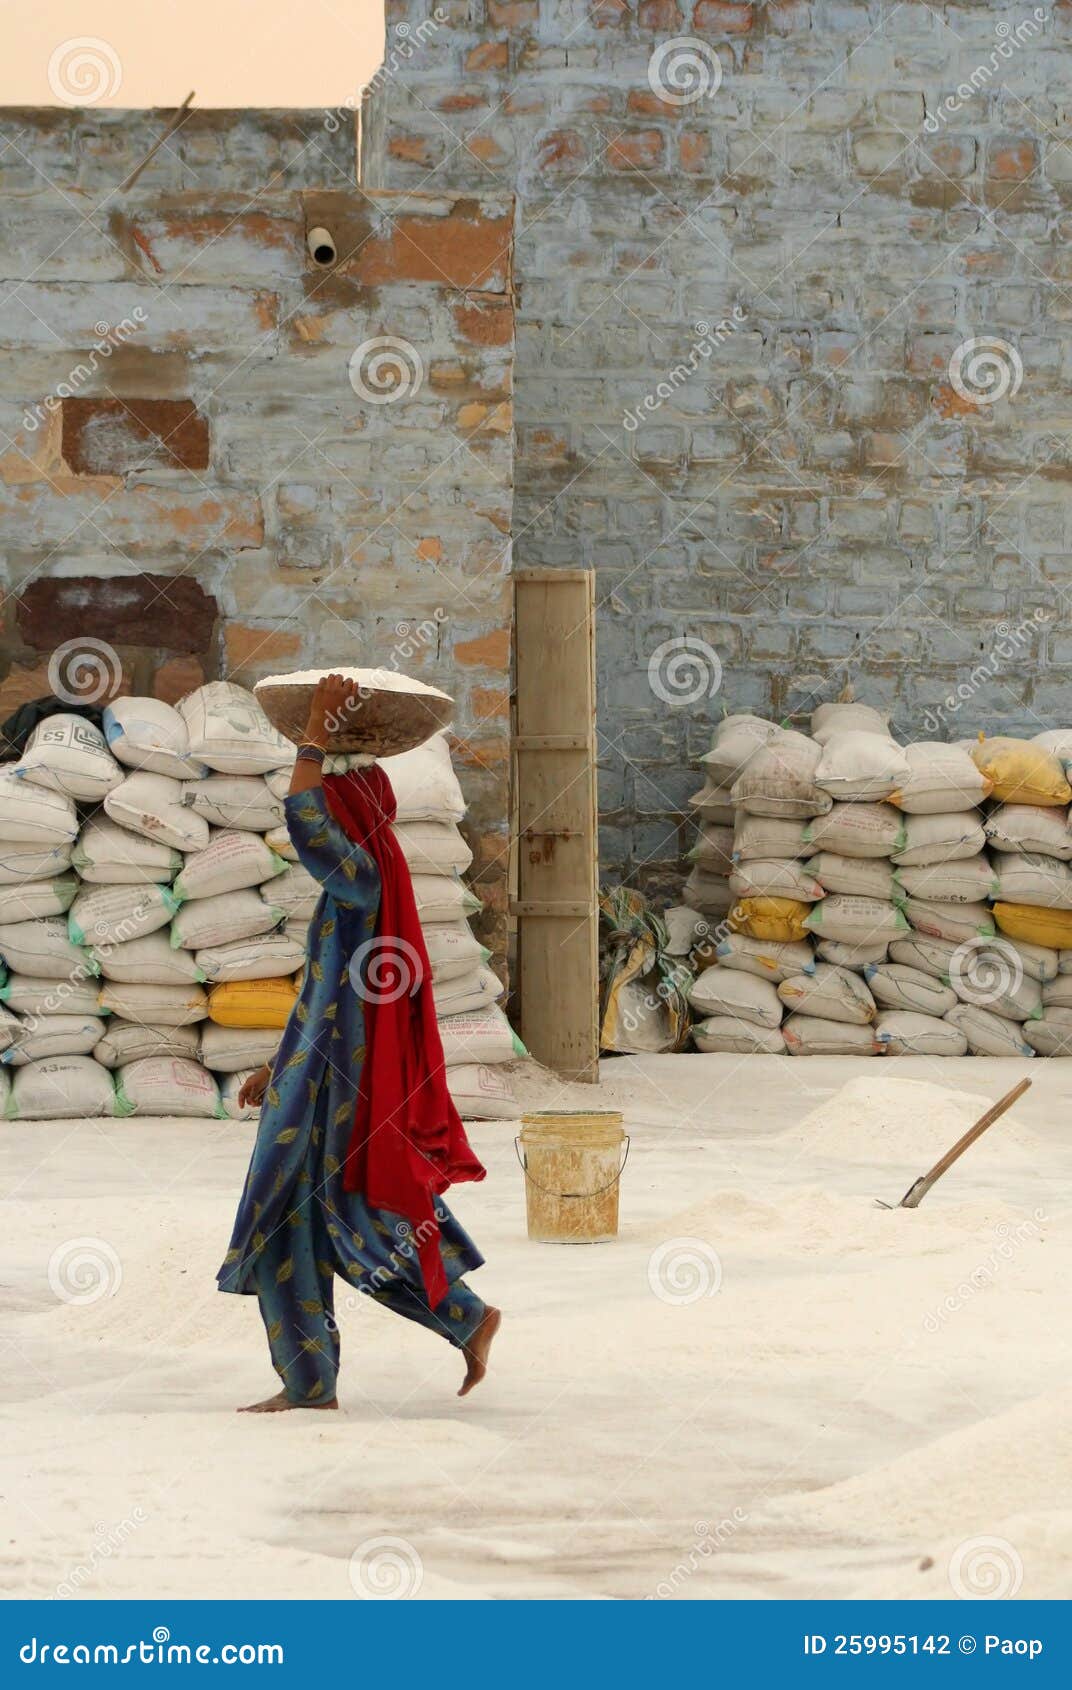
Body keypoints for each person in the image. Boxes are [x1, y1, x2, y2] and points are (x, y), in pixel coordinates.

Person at [217, 674, 500, 1412]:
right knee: (312, 1217)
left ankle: (457, 1318)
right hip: (316, 1075)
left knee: (327, 1211)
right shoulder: (357, 893)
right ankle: (327, 1376)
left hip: (336, 1084)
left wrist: (314, 729)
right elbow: (323, 996)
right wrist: (275, 1065)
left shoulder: (361, 880)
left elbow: (304, 818)